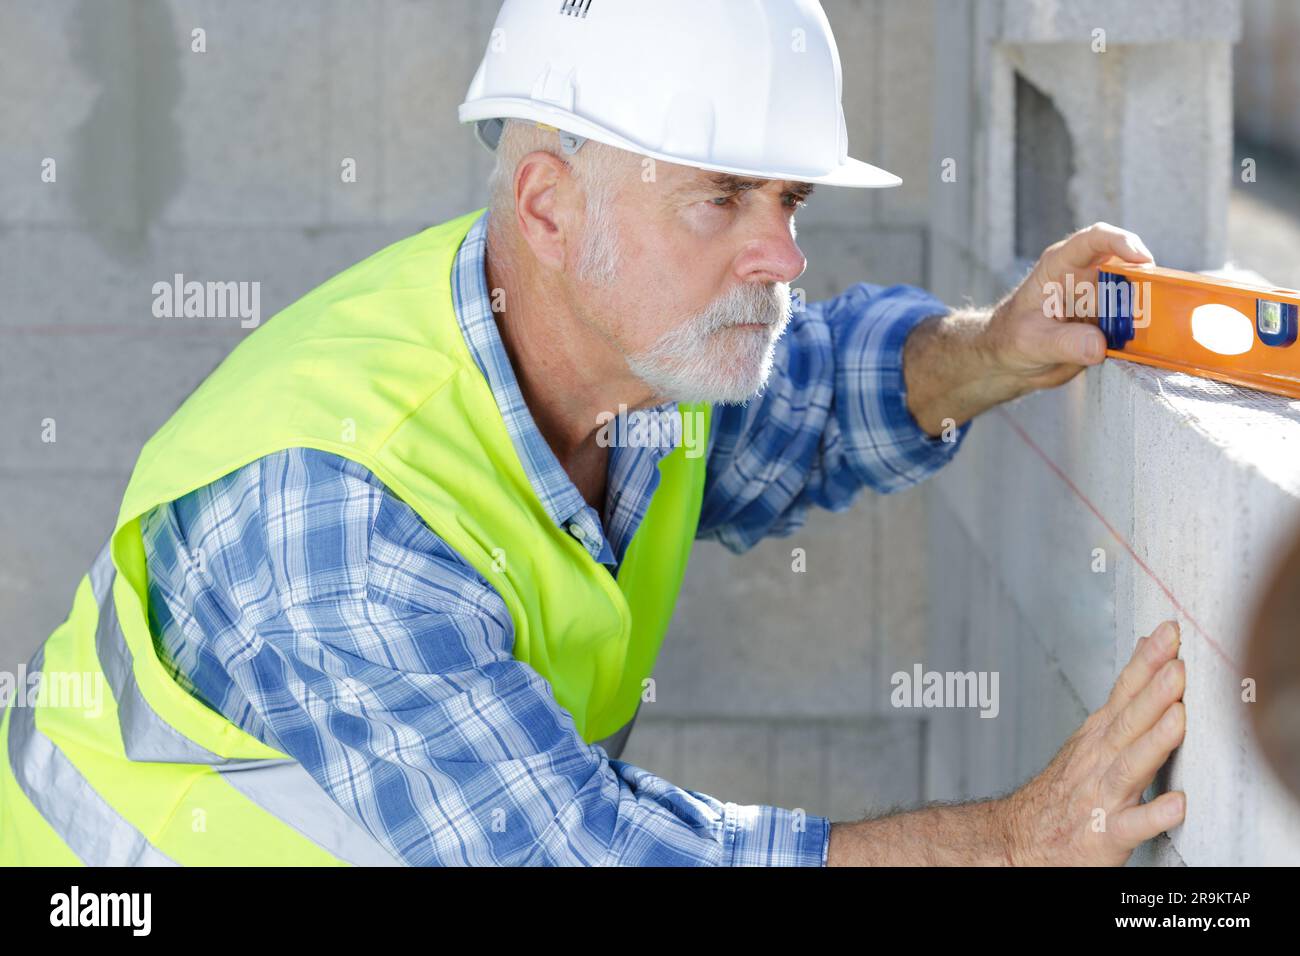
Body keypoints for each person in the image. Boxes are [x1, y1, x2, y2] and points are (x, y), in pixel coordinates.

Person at [0, 0, 1185, 866]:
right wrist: (1016, 848)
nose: (780, 256)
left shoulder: (621, 355)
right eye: (720, 199)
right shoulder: (338, 513)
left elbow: (802, 395)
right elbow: (586, 859)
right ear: (550, 207)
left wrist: (995, 348)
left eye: (788, 203)